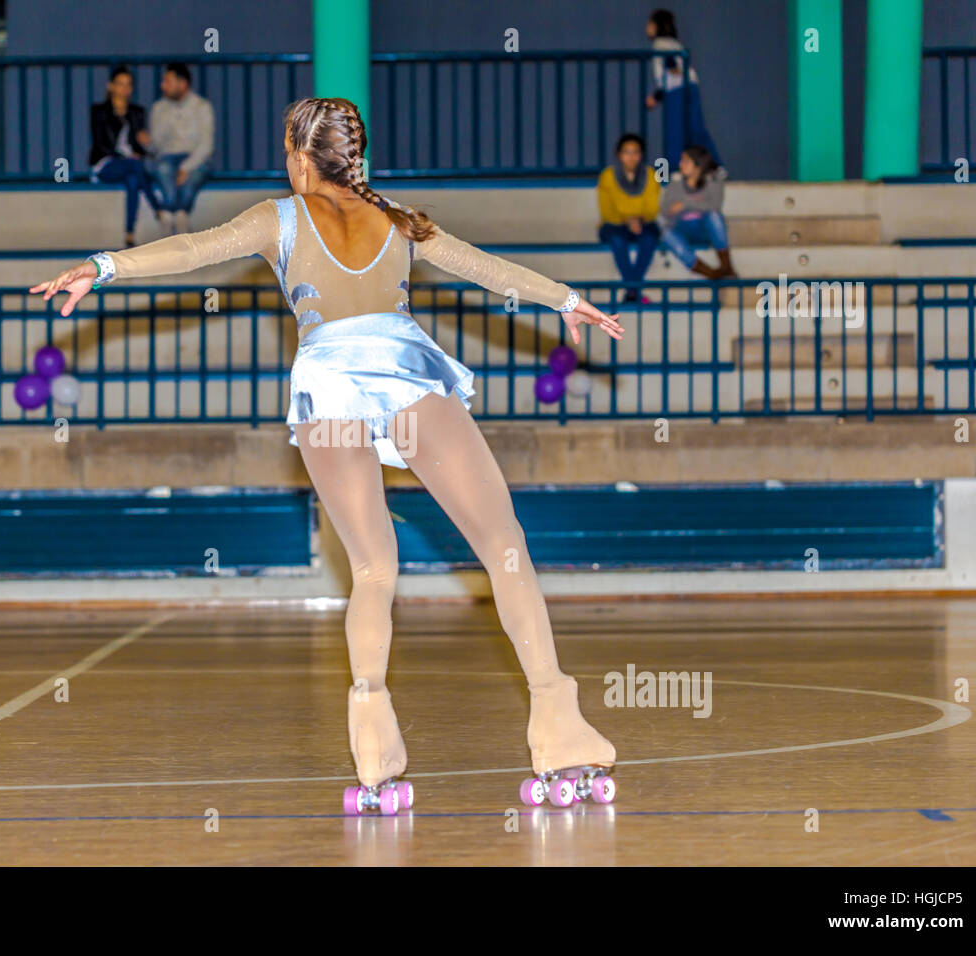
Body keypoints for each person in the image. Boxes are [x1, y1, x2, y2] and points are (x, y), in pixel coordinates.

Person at [31, 97, 621, 812]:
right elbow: (485, 269)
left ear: (299, 155)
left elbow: (188, 251)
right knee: (504, 547)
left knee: (372, 569)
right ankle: (561, 732)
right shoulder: (399, 217)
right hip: (407, 380)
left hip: (329, 391)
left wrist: (101, 266)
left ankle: (375, 758)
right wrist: (567, 299)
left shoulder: (276, 218)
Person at [643, 8, 723, 173]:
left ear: (657, 25)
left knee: (674, 134)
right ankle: (717, 167)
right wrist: (657, 96)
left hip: (677, 92)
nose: (647, 28)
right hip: (689, 87)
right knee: (696, 130)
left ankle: (666, 175)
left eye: (650, 24)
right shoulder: (674, 43)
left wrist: (660, 91)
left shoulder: (660, 44)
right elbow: (669, 75)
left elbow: (670, 69)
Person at [143, 63, 215, 234]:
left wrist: (185, 167)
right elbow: (156, 147)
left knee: (193, 175)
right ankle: (177, 214)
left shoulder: (202, 107)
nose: (162, 86)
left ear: (182, 84)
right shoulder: (159, 108)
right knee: (163, 168)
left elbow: (206, 145)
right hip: (167, 157)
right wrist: (151, 139)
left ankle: (172, 213)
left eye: (168, 81)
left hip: (194, 157)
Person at [89, 65, 152, 248]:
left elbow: (139, 147)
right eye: (120, 84)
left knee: (133, 180)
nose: (124, 89)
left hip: (130, 165)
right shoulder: (99, 111)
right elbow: (102, 145)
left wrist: (145, 144)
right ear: (111, 86)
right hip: (105, 163)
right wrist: (129, 157)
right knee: (135, 166)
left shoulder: (136, 112)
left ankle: (129, 233)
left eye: (128, 84)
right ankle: (159, 210)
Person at [597, 133, 661, 303]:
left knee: (650, 238)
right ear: (619, 154)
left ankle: (631, 290)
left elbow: (652, 208)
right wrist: (628, 219)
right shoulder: (608, 176)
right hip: (615, 224)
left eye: (635, 152)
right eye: (626, 152)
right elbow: (607, 210)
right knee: (617, 240)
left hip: (644, 223)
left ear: (641, 155)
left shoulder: (651, 174)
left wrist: (638, 219)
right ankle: (634, 289)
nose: (631, 157)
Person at [658, 145, 736, 279]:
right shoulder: (675, 183)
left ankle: (727, 267)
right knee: (664, 231)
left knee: (714, 216)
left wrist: (685, 204)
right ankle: (711, 274)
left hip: (704, 230)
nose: (681, 164)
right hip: (682, 228)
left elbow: (714, 205)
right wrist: (697, 204)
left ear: (698, 166)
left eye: (686, 161)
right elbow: (666, 209)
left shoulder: (713, 181)